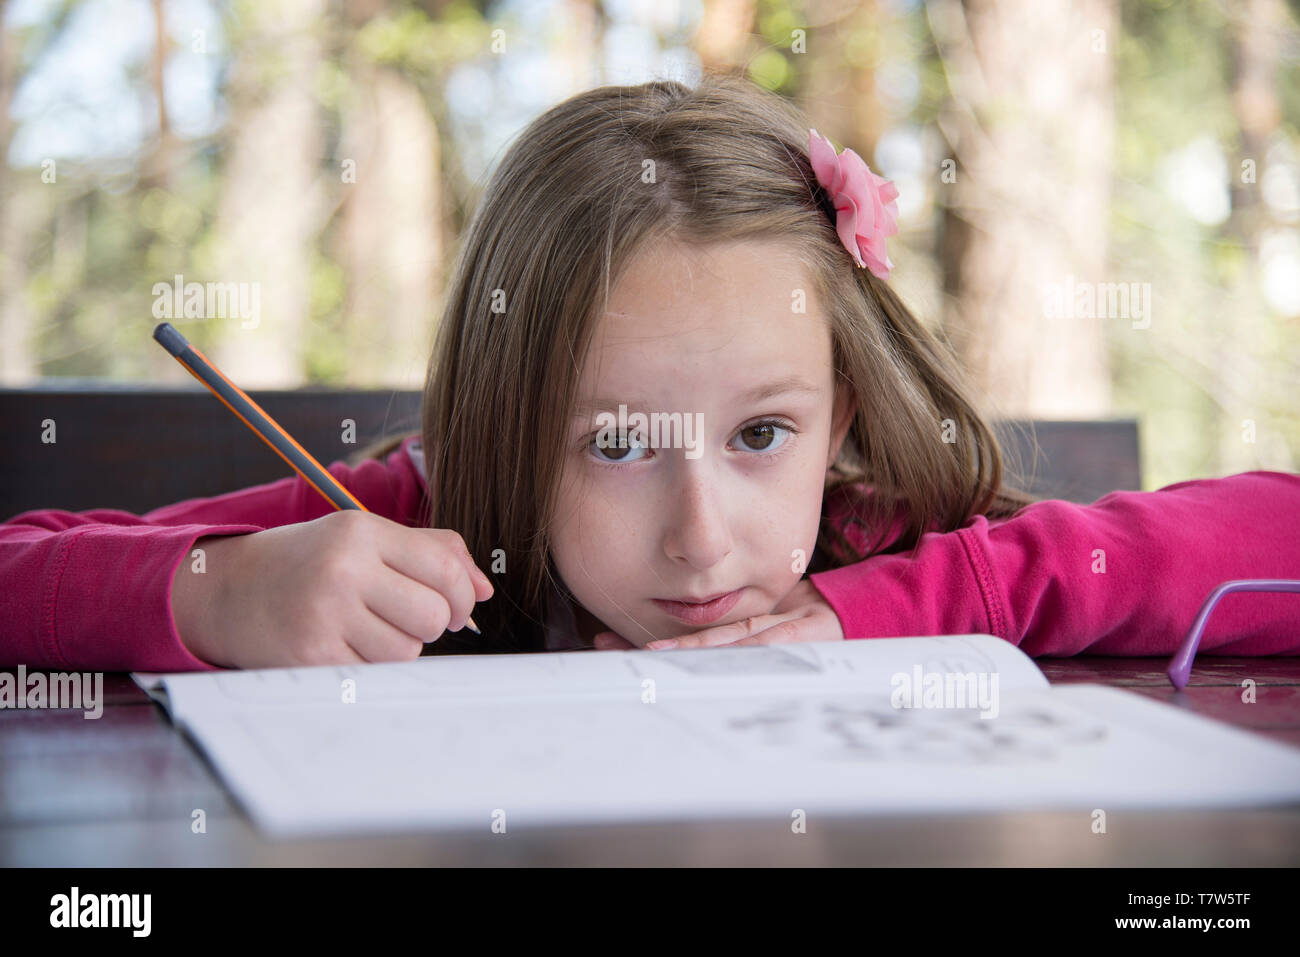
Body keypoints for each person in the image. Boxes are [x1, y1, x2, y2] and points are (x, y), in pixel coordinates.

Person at [3, 71, 1297, 673]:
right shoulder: (408, 525)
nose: (700, 538)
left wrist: (928, 595)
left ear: (839, 406)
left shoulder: (873, 542)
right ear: (513, 421)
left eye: (760, 436)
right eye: (614, 444)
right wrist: (213, 591)